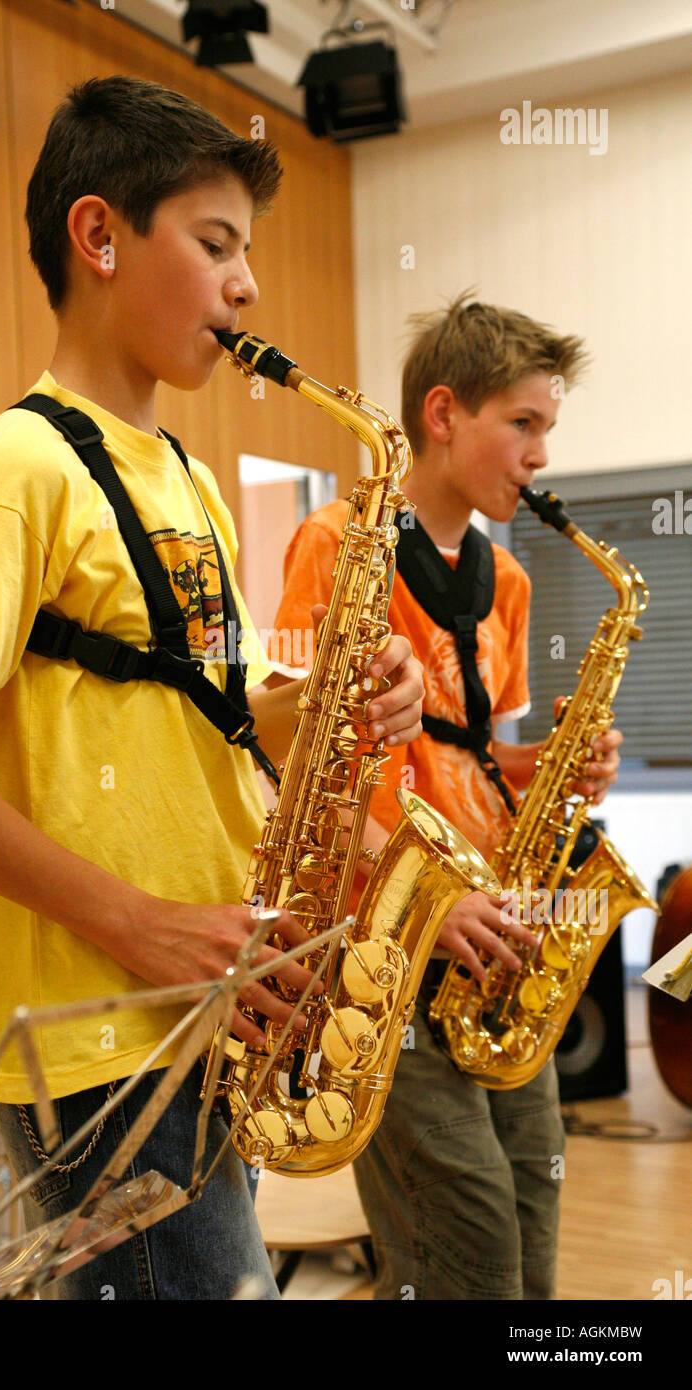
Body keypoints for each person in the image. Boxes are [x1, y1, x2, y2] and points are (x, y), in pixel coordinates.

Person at [0, 76, 424, 1301]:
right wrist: (136, 921)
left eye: (247, 253)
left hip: (207, 1016)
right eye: (215, 244)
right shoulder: (19, 466)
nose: (246, 285)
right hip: (103, 1033)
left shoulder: (186, 480)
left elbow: (209, 713)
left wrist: (326, 702)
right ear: (100, 236)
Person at [270, 293, 623, 1300]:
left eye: (544, 428)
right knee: (464, 1252)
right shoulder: (335, 545)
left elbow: (462, 754)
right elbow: (305, 765)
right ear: (440, 415)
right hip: (387, 948)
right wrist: (432, 898)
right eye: (522, 423)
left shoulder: (502, 578)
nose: (539, 454)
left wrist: (548, 765)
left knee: (526, 1226)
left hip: (490, 945)